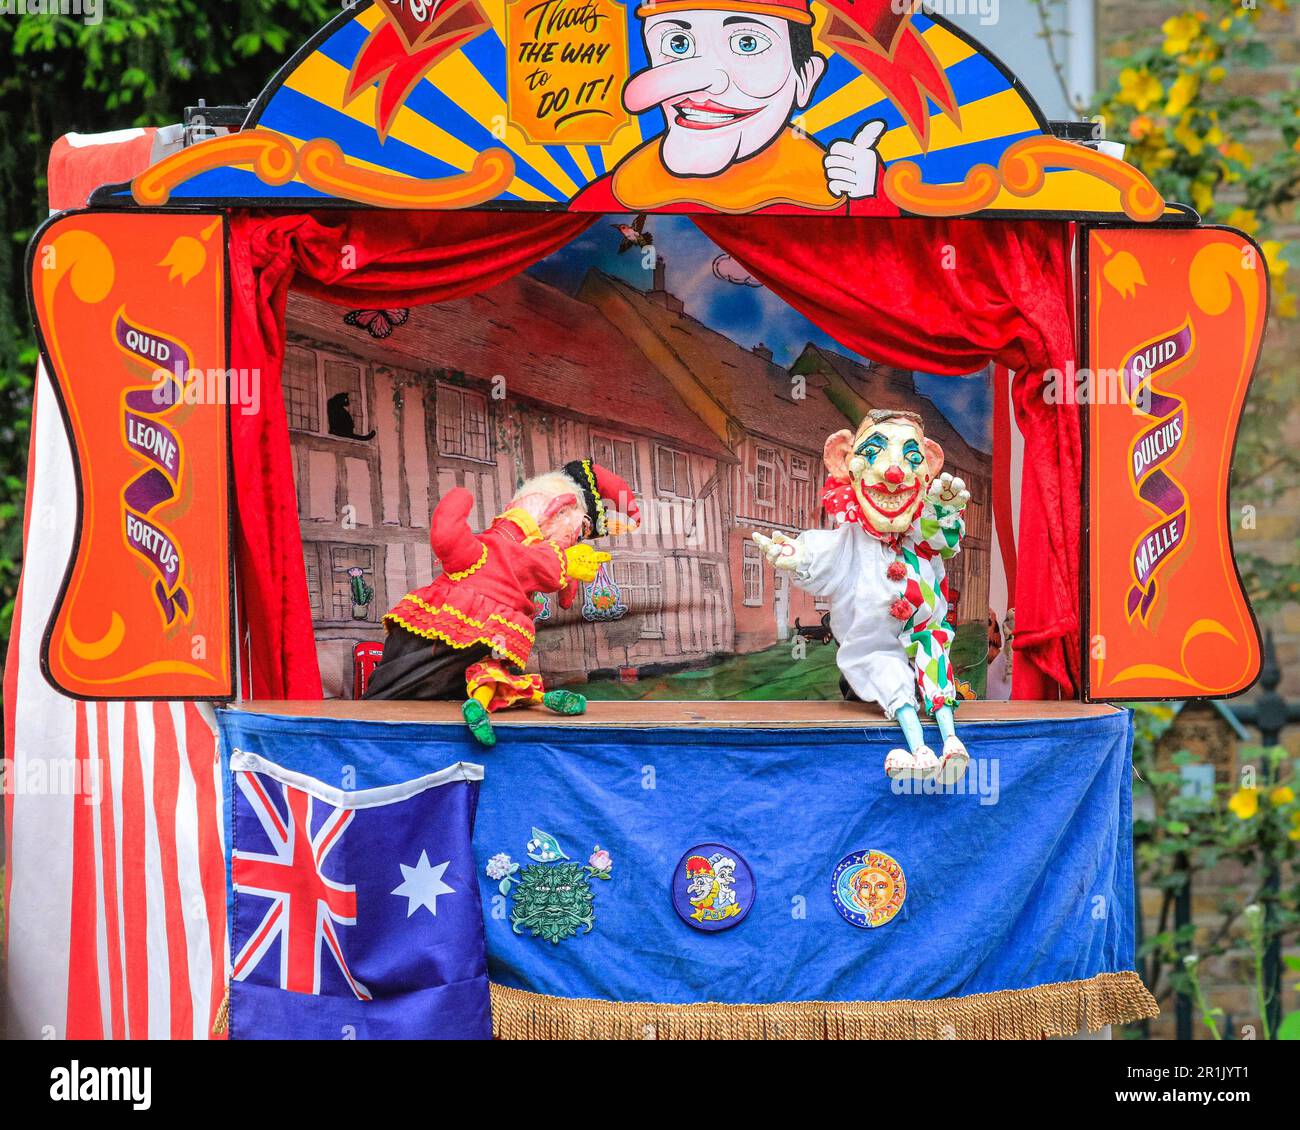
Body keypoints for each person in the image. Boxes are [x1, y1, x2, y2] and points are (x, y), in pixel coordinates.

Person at [365, 459, 639, 745]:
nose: (578, 541)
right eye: (581, 530)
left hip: (467, 669)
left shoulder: (533, 559)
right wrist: (564, 567)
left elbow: (544, 572)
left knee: (490, 670)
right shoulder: (494, 551)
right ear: (560, 508)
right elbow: (453, 540)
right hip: (432, 652)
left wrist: (566, 577)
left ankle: (500, 702)